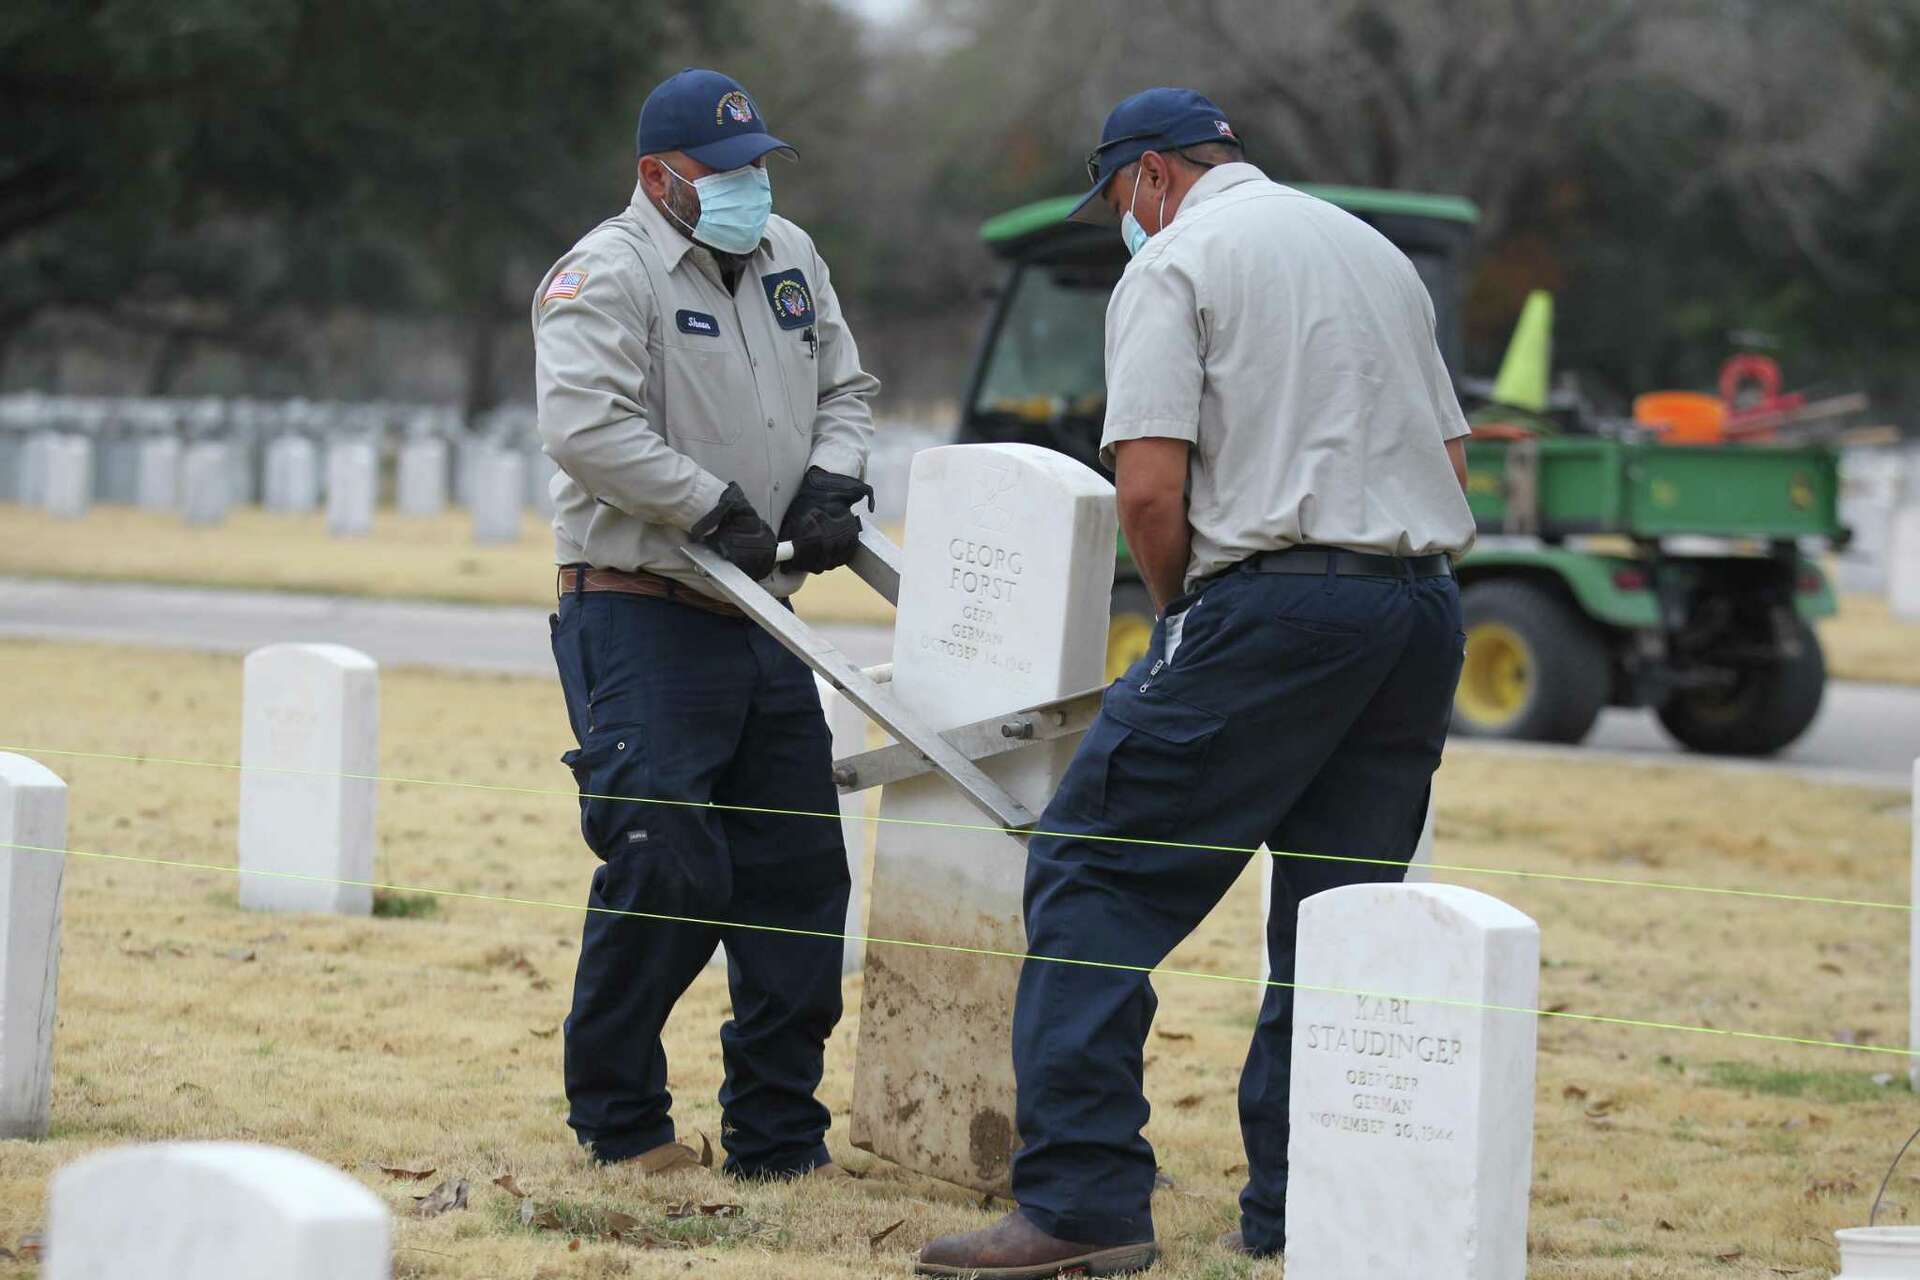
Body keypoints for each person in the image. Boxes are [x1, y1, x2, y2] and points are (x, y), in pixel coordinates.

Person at [917, 87, 1475, 1277]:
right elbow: (1453, 449)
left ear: (1154, 176)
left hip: (1273, 599)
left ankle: (1080, 1200)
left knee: (1087, 870)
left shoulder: (1178, 262)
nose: (1125, 220)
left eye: (1121, 198)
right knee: (1340, 918)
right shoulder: (1368, 250)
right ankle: (1302, 1206)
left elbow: (1151, 490)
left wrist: (1181, 616)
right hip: (1418, 603)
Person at [531, 67, 878, 1180]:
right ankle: (623, 1121)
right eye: (723, 173)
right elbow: (586, 425)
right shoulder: (605, 273)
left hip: (760, 615)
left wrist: (830, 481)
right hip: (642, 611)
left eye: (758, 168)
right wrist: (706, 504)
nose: (748, 189)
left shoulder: (794, 258)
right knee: (664, 858)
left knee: (796, 876)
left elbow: (847, 386)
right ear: (658, 176)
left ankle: (778, 1134)